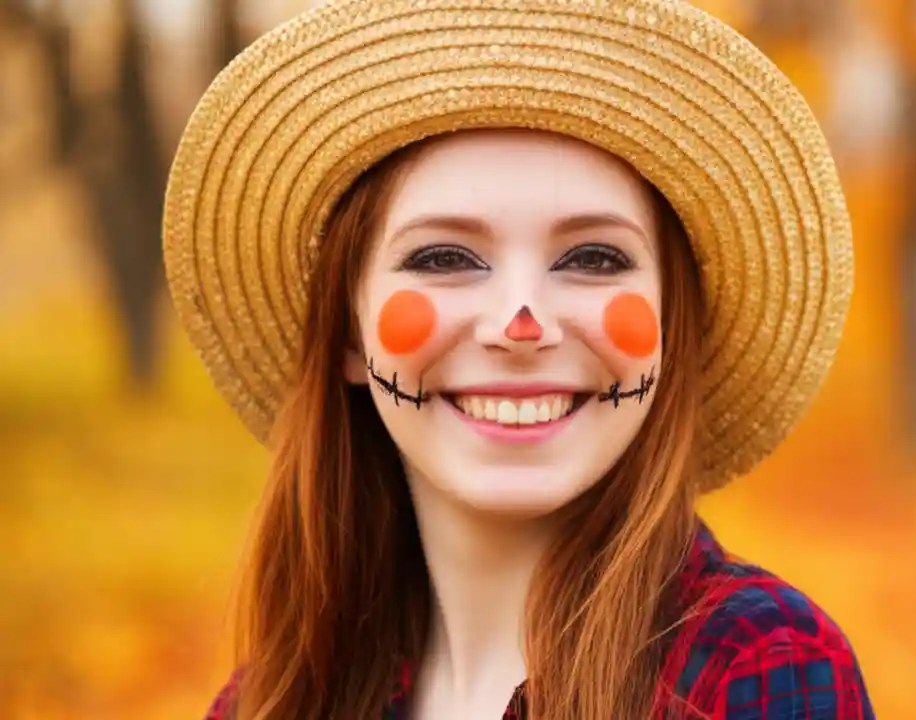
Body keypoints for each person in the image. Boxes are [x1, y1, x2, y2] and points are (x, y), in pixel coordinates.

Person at [163, 0, 871, 717]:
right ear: (350, 335)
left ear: (669, 328)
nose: (519, 324)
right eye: (443, 257)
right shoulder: (272, 700)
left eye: (594, 257)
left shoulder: (756, 662)